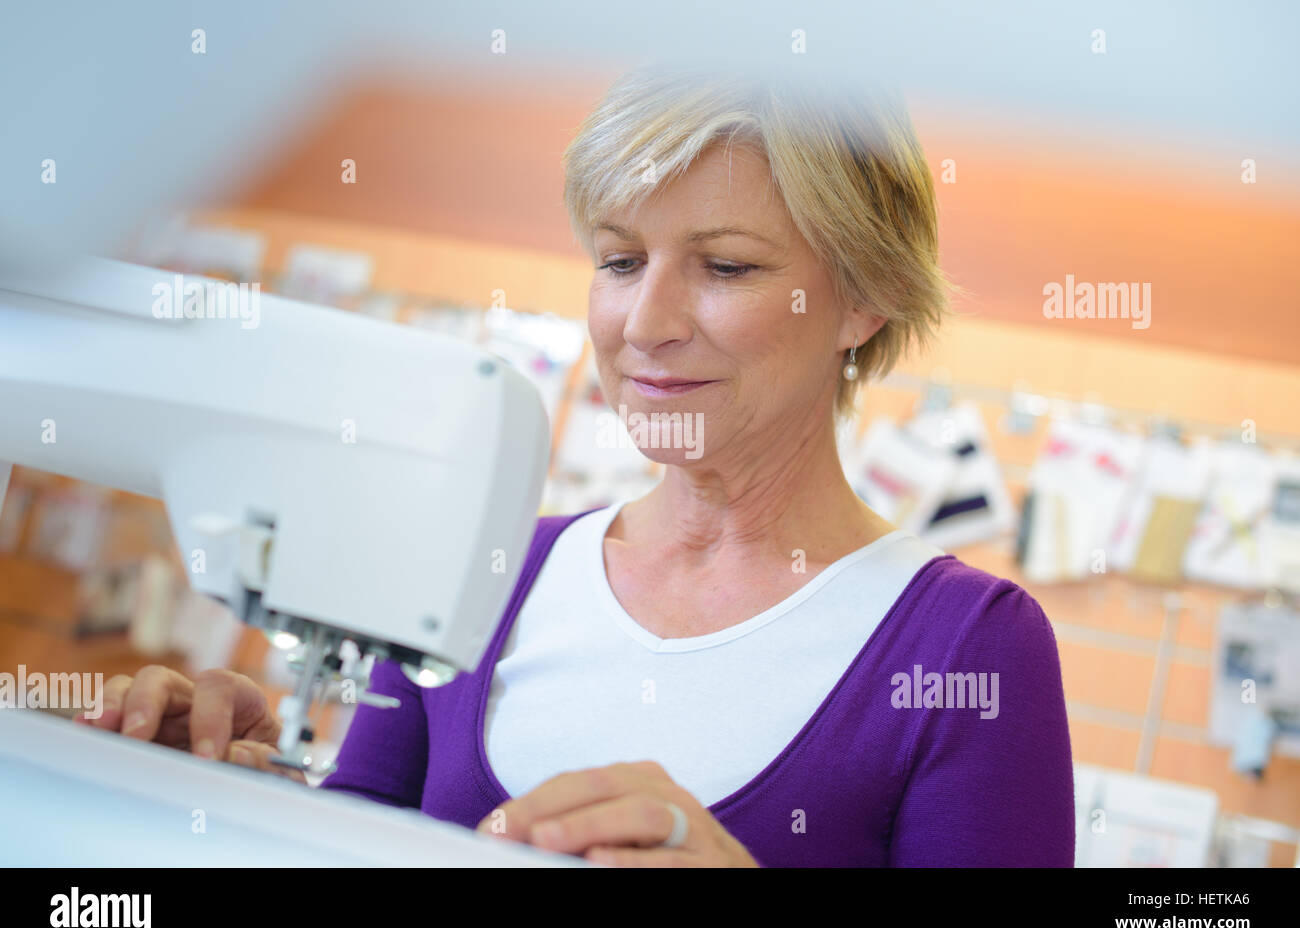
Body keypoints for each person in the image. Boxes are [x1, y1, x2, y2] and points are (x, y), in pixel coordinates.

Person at [82, 62, 1074, 867]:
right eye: (618, 260)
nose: (644, 325)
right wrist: (219, 807)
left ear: (864, 300)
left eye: (724, 266)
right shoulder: (476, 575)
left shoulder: (967, 650)